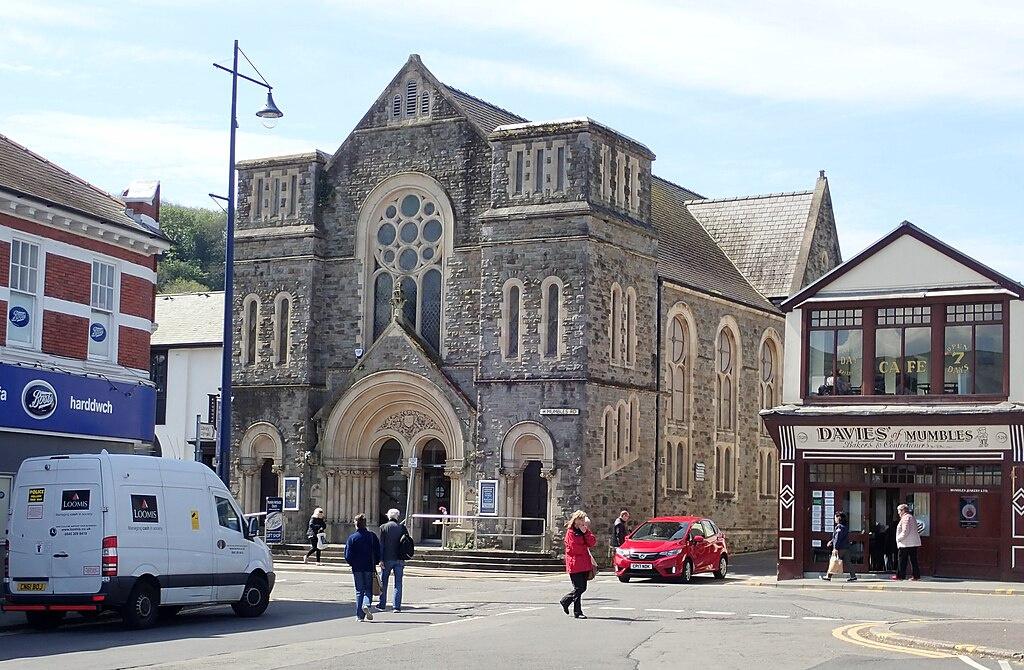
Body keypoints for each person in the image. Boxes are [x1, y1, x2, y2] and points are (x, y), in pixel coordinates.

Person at [560, 510, 597, 620]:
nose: (582, 521)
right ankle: (575, 609)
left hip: (584, 563)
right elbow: (573, 548)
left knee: (582, 588)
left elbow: (592, 542)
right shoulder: (570, 532)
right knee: (579, 588)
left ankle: (567, 602)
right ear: (575, 520)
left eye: (583, 519)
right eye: (580, 519)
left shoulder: (585, 531)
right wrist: (584, 545)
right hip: (575, 563)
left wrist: (585, 533)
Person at [344, 513, 381, 621]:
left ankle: (359, 616)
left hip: (357, 567)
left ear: (356, 524)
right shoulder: (372, 536)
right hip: (369, 566)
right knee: (368, 589)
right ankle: (367, 604)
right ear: (365, 524)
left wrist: (352, 563)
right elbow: (378, 551)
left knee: (359, 590)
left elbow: (347, 555)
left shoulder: (352, 538)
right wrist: (376, 562)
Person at [378, 508, 409, 613]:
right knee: (398, 583)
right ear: (397, 516)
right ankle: (396, 606)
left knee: (383, 582)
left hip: (387, 558)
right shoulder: (402, 528)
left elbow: (381, 545)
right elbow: (406, 542)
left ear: (388, 516)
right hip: (399, 558)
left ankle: (382, 604)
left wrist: (380, 559)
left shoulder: (383, 527)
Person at [820, 512, 857, 582]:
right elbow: (838, 537)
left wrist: (835, 548)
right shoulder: (845, 527)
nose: (834, 519)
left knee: (833, 560)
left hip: (840, 548)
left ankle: (828, 576)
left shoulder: (839, 527)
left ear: (838, 518)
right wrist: (831, 541)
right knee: (848, 562)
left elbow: (838, 538)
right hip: (846, 547)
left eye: (835, 518)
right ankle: (853, 576)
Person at [892, 504, 922, 581]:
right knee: (913, 560)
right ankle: (916, 576)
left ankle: (900, 576)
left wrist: (899, 538)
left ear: (903, 510)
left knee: (902, 560)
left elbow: (905, 531)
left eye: (899, 511)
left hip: (906, 543)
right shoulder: (911, 517)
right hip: (913, 543)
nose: (898, 512)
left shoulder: (905, 518)